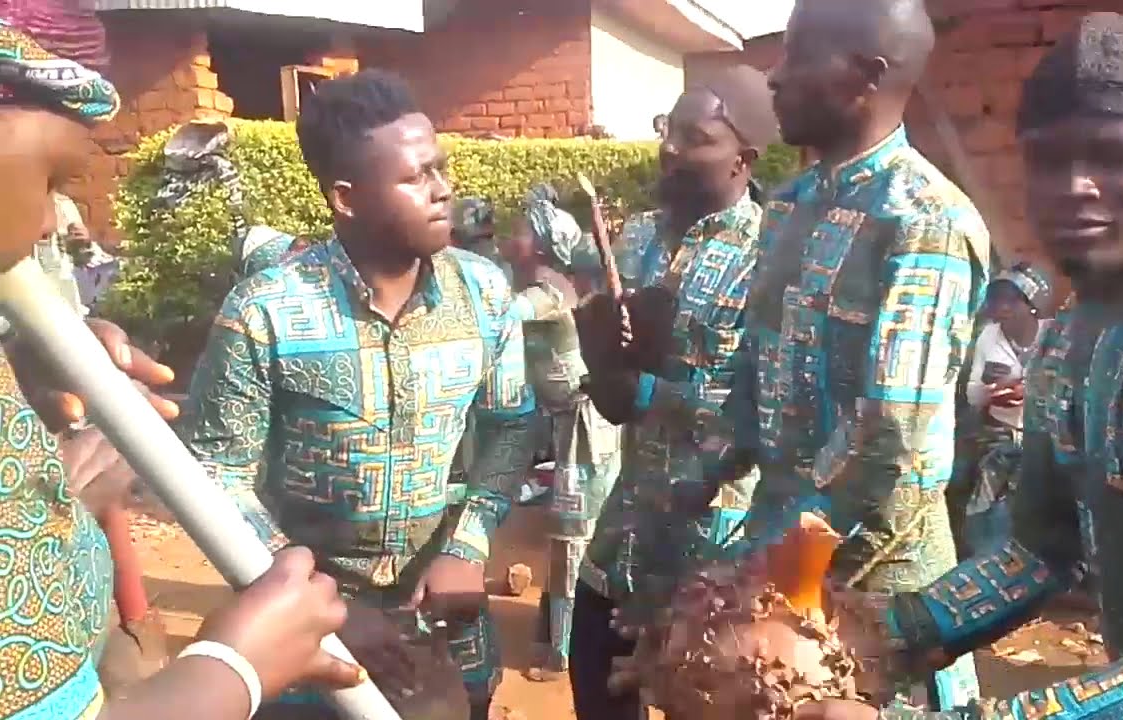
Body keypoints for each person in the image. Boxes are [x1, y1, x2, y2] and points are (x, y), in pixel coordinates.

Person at [805, 12, 1123, 720]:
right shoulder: (1072, 332)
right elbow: (1040, 553)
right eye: (1048, 160)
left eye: (1117, 156)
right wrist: (880, 630)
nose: (1074, 186)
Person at [0, 16, 363, 720]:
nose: (49, 223)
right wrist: (233, 667)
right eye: (51, 178)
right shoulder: (264, 309)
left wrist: (22, 387)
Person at [178, 69, 535, 720]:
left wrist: (468, 544)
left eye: (441, 168)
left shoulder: (485, 294)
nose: (443, 190)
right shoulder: (266, 313)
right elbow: (213, 476)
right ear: (346, 197)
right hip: (306, 647)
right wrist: (325, 608)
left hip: (446, 639)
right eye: (415, 177)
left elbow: (513, 425)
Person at [707, 0, 990, 709]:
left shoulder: (922, 219)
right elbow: (754, 376)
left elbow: (889, 434)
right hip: (772, 578)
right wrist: (689, 497)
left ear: (866, 77)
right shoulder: (789, 204)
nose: (774, 78)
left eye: (798, 56)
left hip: (877, 598)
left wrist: (767, 567)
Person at [570, 64, 778, 720]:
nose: (670, 148)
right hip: (625, 530)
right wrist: (603, 373)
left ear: (743, 159)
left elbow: (766, 406)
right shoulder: (637, 237)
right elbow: (615, 371)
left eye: (695, 137)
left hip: (718, 547)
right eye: (669, 130)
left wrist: (654, 390)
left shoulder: (770, 255)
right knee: (596, 691)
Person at [504, 182, 624, 680]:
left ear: (540, 244)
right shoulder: (547, 285)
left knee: (573, 537)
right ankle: (553, 635)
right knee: (566, 535)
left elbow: (504, 316)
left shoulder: (548, 291)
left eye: (520, 230)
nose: (511, 237)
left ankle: (562, 653)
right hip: (568, 421)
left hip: (585, 425)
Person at [956, 263, 1051, 556]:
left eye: (1012, 300)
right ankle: (985, 564)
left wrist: (1029, 389)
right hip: (999, 435)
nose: (1002, 307)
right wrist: (991, 392)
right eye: (996, 300)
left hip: (1042, 440)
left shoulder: (1053, 334)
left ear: (1031, 304)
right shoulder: (989, 336)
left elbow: (1065, 388)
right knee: (987, 512)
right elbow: (972, 393)